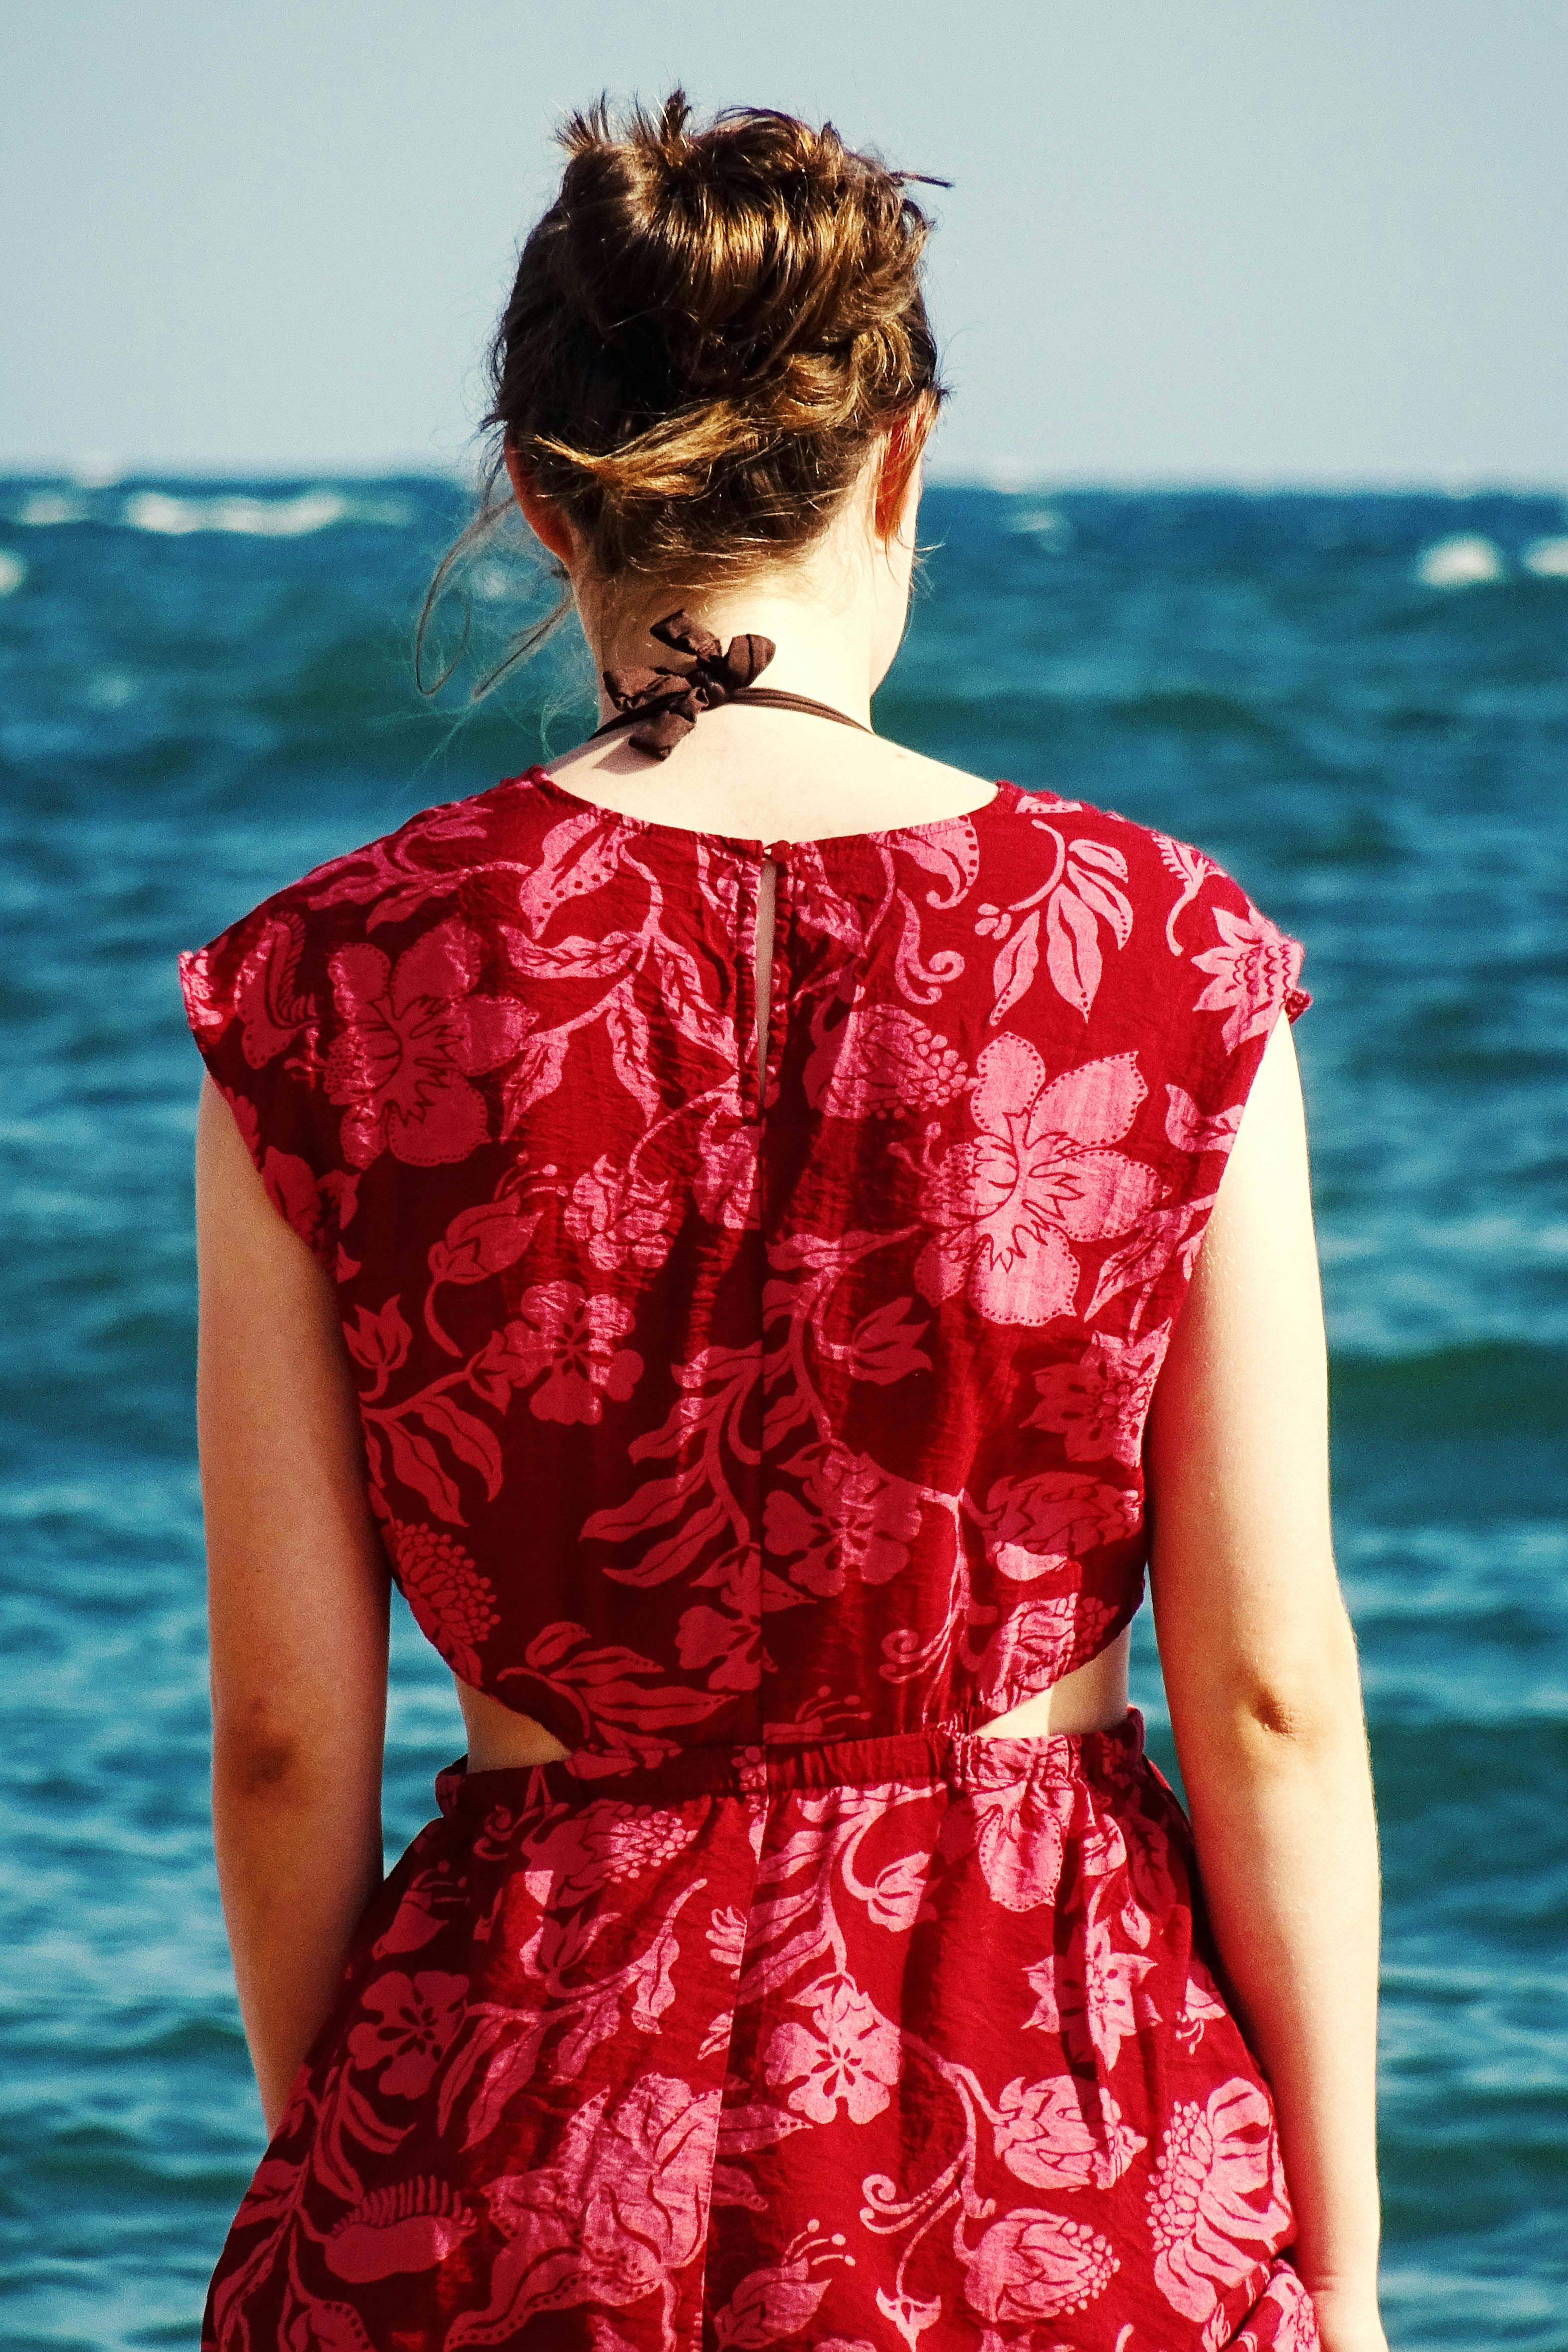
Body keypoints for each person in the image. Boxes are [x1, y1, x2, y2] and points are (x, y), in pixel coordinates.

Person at [180, 90, 1384, 2352]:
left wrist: (358, 2128)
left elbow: (277, 1734)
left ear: (539, 495)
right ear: (903, 463)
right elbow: (1265, 1691)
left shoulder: (325, 982)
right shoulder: (1166, 949)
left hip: (509, 2095)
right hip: (1053, 2094)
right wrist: (1344, 2263)